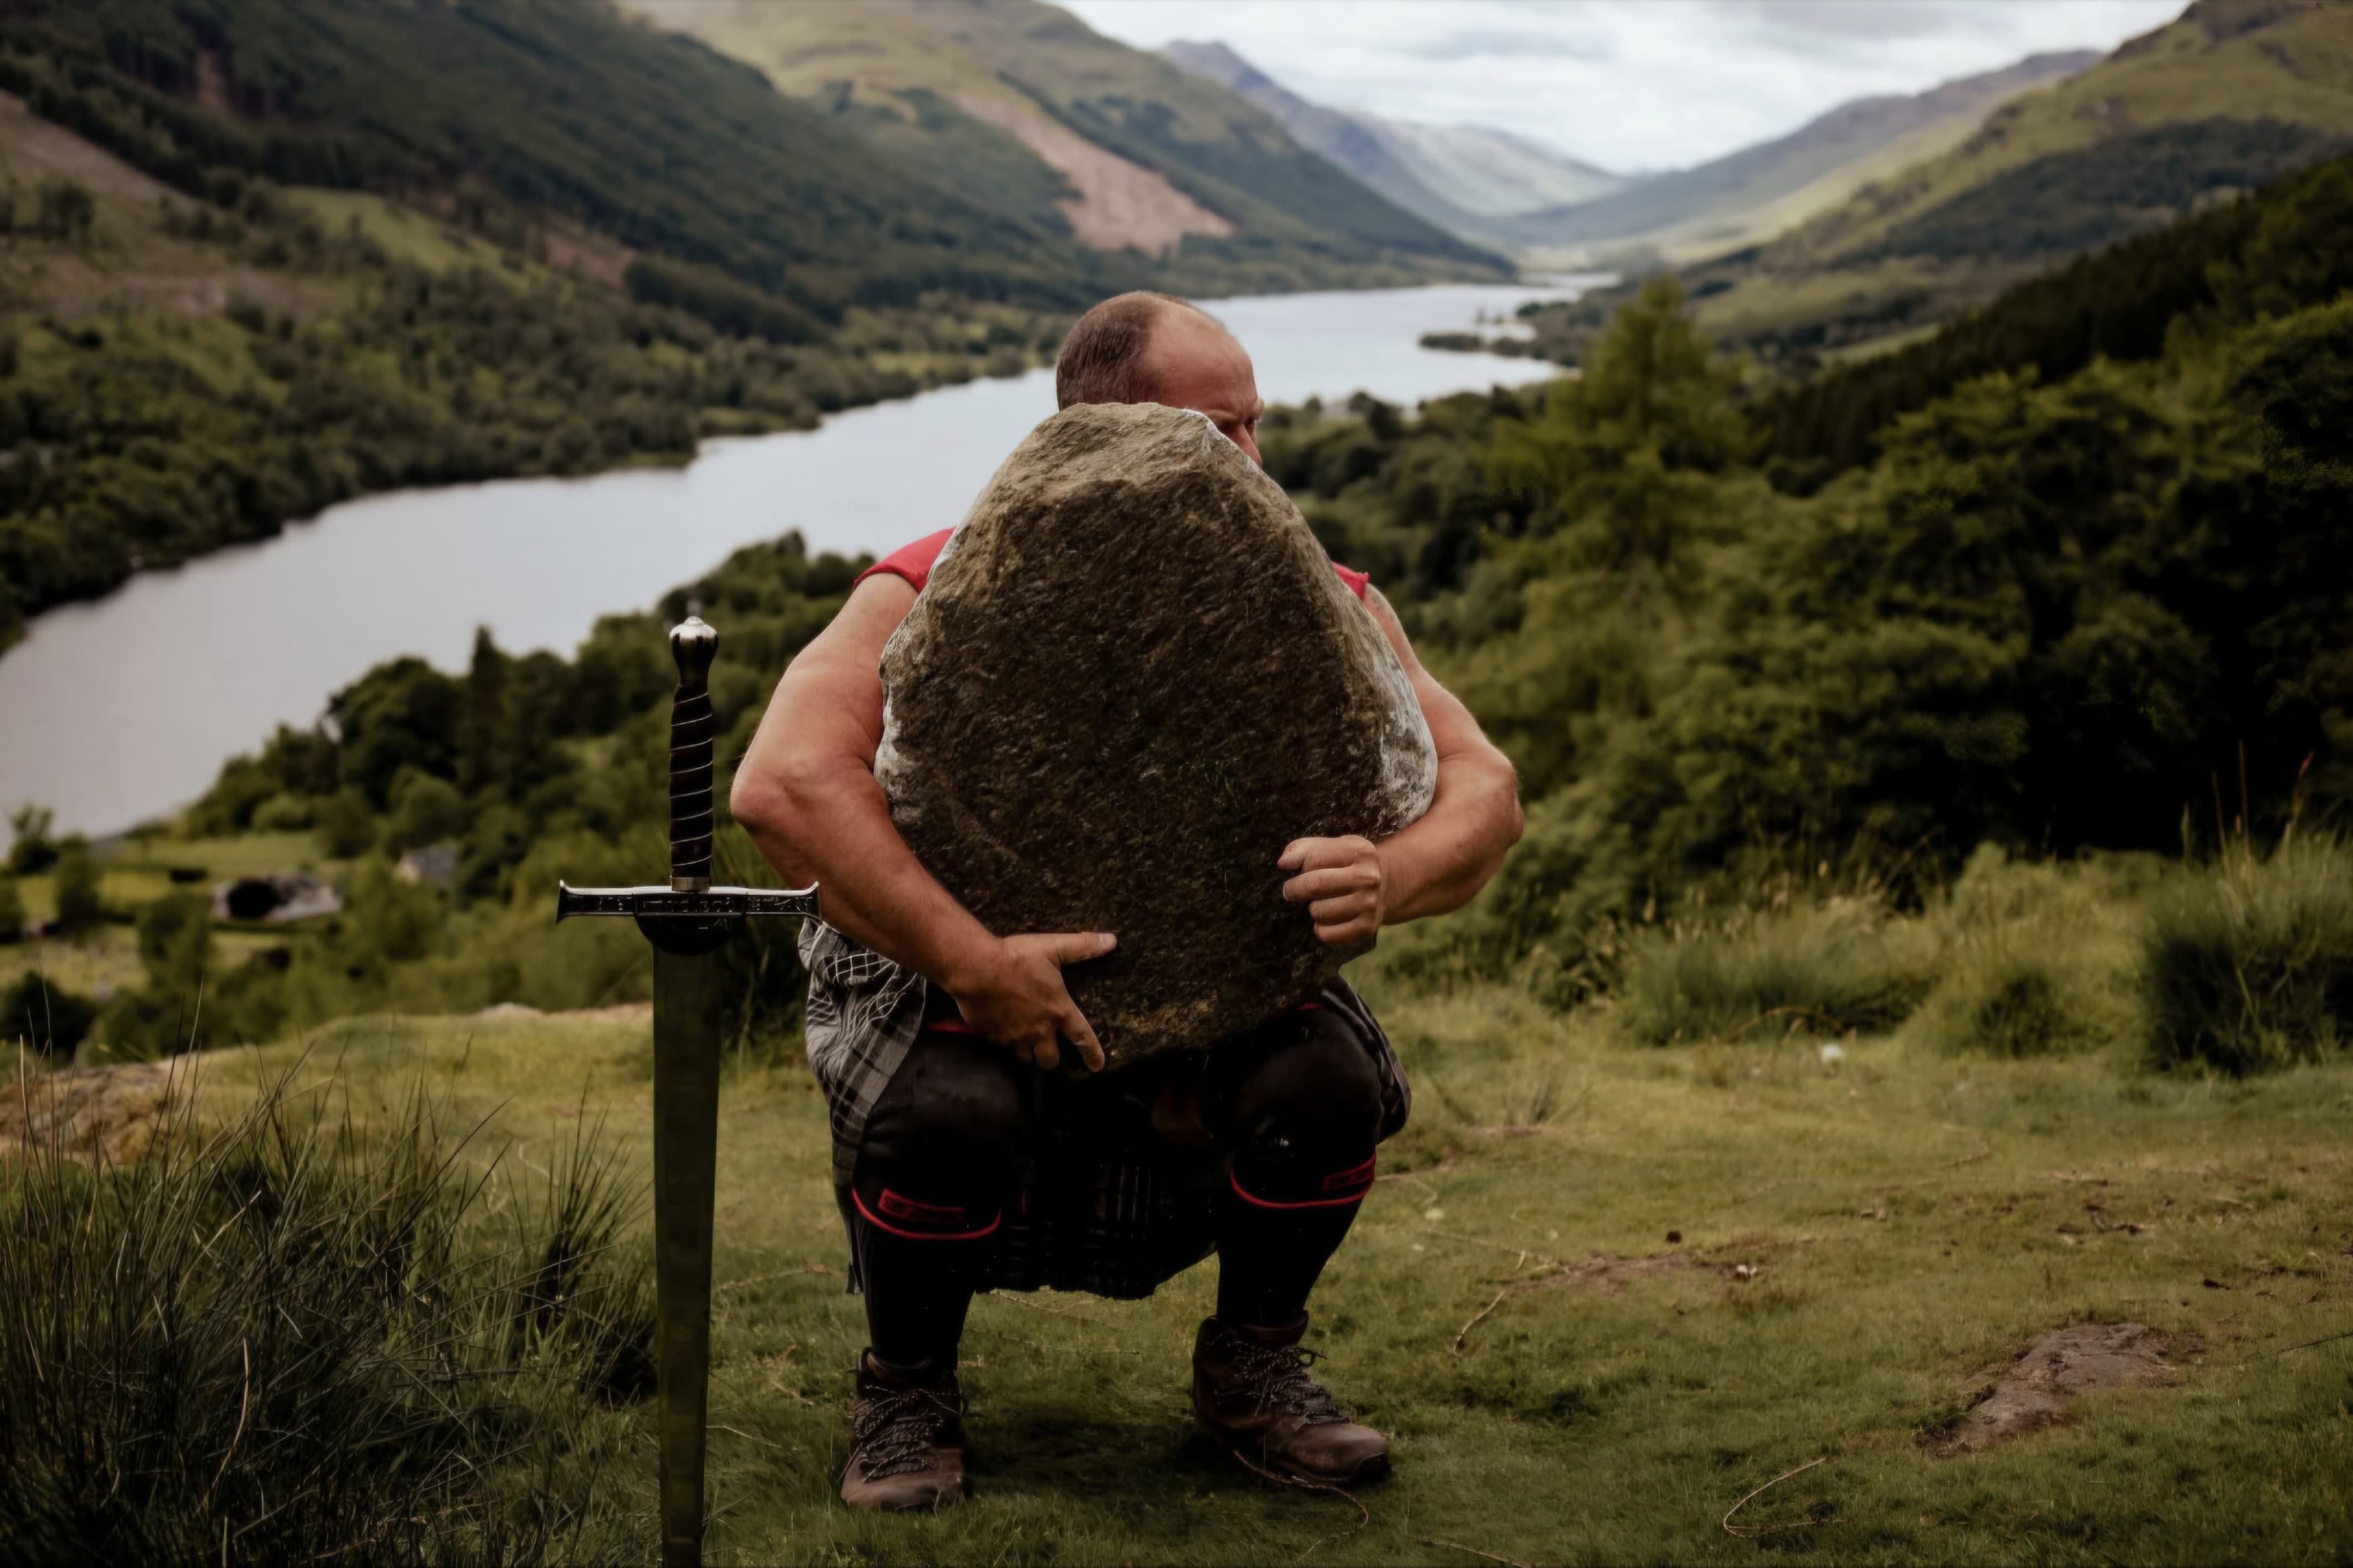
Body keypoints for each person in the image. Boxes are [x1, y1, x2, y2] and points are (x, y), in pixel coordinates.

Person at [731, 290, 1523, 1512]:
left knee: (1326, 1085)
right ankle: (905, 1391)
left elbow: (1486, 785)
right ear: (1113, 436)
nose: (1257, 464)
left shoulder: (1319, 595)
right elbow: (783, 784)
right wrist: (971, 958)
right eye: (1224, 433)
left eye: (1258, 427)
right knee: (939, 1107)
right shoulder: (936, 582)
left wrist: (1395, 871)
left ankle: (1253, 1370)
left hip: (1225, 990)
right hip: (979, 975)